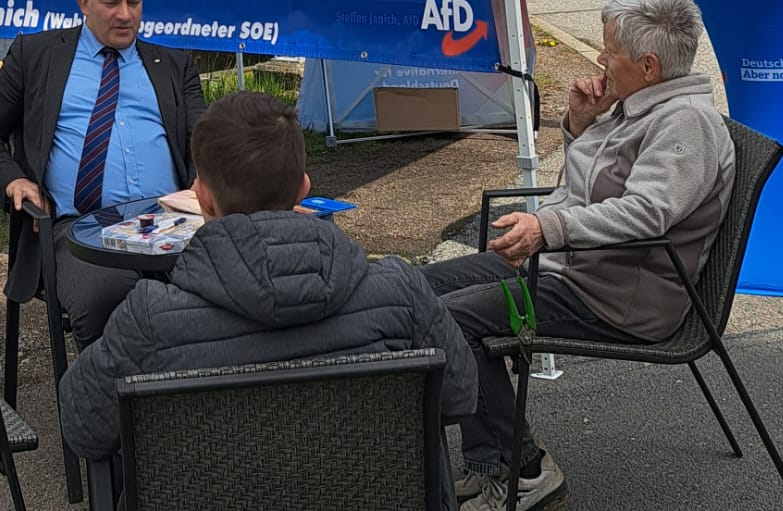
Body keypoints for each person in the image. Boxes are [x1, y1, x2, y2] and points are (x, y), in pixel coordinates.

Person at [59, 91, 477, 506]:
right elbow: (460, 397)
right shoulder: (401, 294)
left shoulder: (150, 321)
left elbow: (83, 428)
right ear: (304, 188)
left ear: (202, 198)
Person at [424, 0, 735, 509]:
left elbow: (646, 214)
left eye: (610, 50)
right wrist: (580, 124)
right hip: (577, 270)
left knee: (451, 320)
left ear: (649, 66)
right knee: (418, 293)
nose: (600, 58)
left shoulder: (684, 123)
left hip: (615, 296)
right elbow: (593, 188)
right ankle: (492, 462)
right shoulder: (639, 104)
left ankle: (522, 472)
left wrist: (549, 228)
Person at [0, 0, 204, 346]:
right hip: (82, 230)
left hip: (171, 222)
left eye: (134, 2)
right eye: (111, 3)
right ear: (84, 3)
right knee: (110, 299)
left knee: (223, 286)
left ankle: (195, 383)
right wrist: (14, 181)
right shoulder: (36, 56)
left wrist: (208, 180)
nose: (125, 15)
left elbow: (203, 142)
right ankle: (113, 386)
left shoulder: (172, 65)